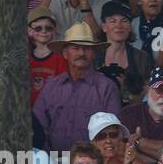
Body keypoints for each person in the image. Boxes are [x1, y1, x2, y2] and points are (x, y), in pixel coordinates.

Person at [33, 22, 119, 154]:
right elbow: (38, 125)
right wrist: (46, 157)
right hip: (52, 161)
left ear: (94, 54)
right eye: (75, 48)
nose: (82, 53)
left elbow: (112, 132)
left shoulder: (106, 87)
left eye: (87, 48)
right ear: (65, 53)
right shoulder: (51, 86)